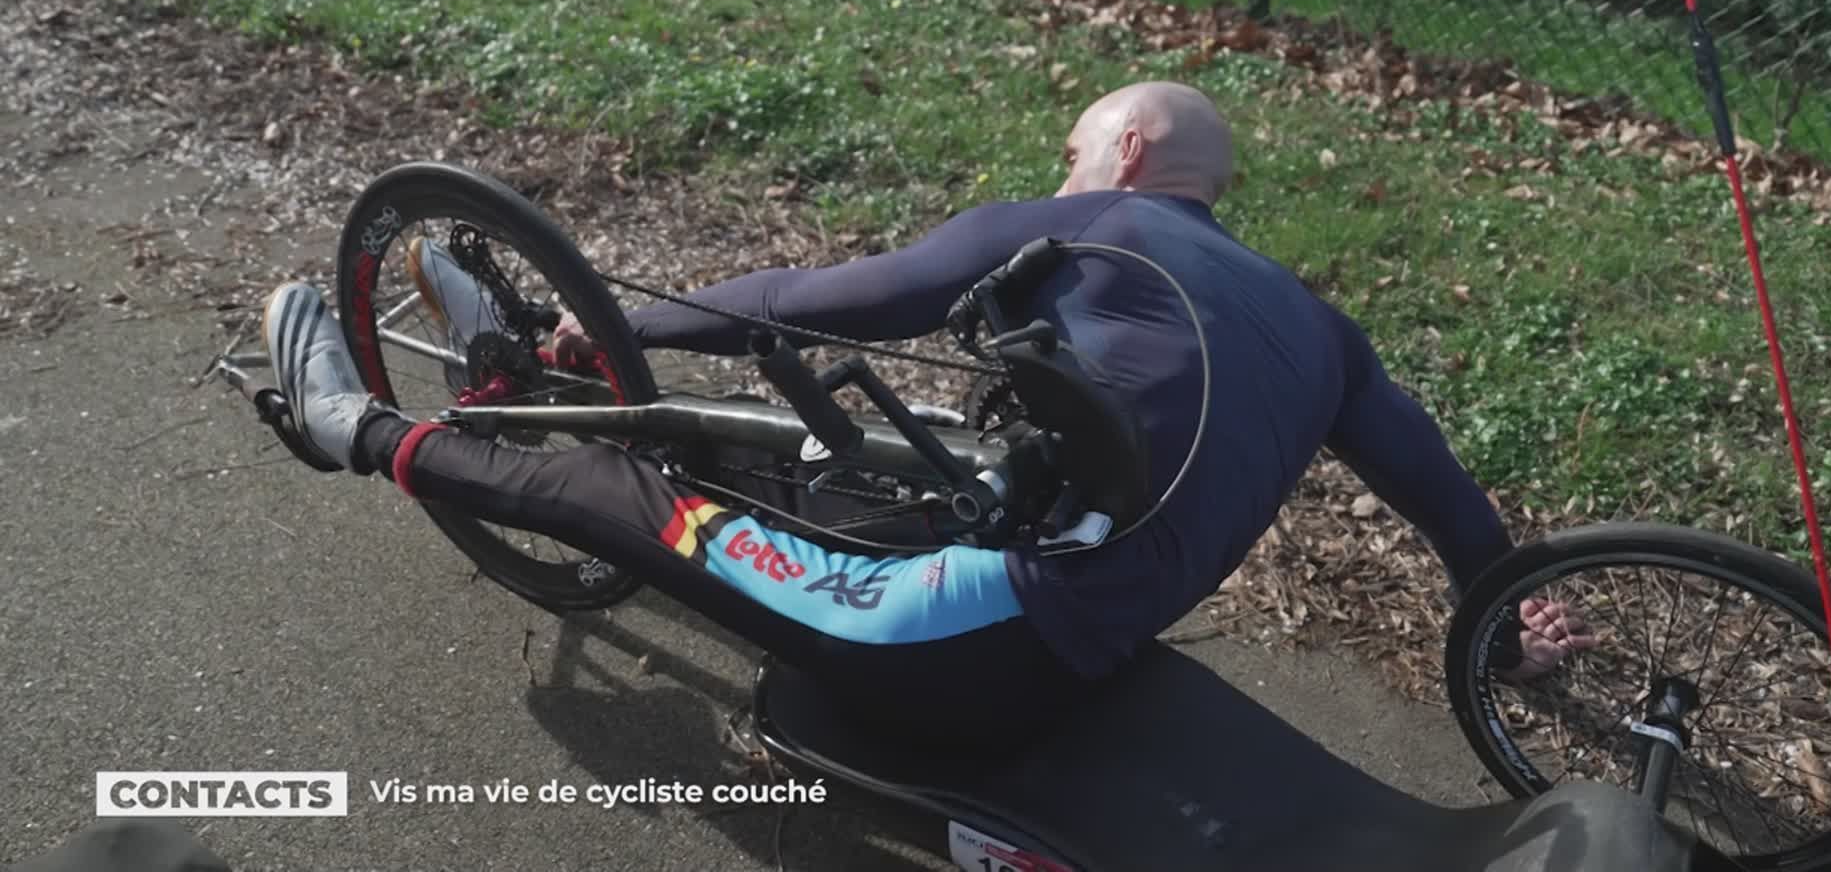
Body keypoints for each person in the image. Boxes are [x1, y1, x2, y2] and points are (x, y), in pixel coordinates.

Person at [261, 80, 1590, 743]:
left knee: (646, 510)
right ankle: (536, 387)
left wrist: (616, 317)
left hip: (955, 664)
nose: (1063, 171)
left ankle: (359, 431)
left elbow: (810, 302)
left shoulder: (1093, 223)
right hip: (1092, 634)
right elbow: (1441, 492)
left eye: (1074, 150)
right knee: (828, 472)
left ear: (1126, 153)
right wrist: (1505, 630)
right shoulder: (1315, 325)